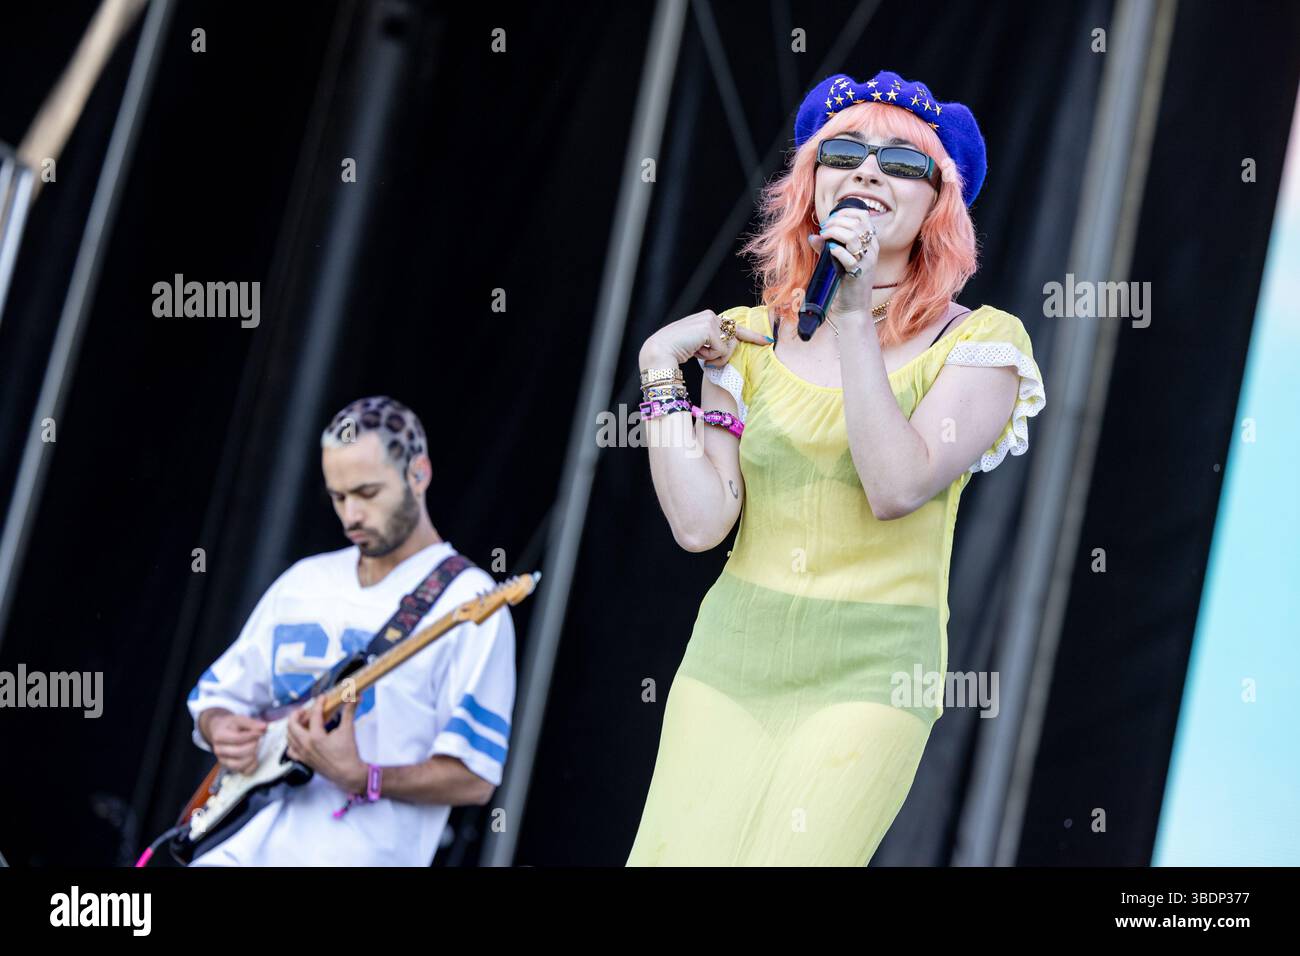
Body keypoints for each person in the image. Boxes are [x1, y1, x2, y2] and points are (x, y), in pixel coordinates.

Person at [629, 70, 1046, 865]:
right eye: (844, 153)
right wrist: (659, 372)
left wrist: (854, 317)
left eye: (903, 162)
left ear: (939, 205)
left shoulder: (981, 343)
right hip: (729, 662)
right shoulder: (750, 337)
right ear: (810, 185)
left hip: (872, 675)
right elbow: (700, 522)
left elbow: (896, 485)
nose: (868, 171)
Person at [186, 396, 515, 866]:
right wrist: (220, 726)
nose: (351, 516)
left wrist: (365, 776)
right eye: (338, 497)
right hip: (235, 850)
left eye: (367, 493)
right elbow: (215, 698)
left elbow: (475, 778)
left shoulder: (469, 601)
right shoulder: (304, 580)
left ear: (418, 474)